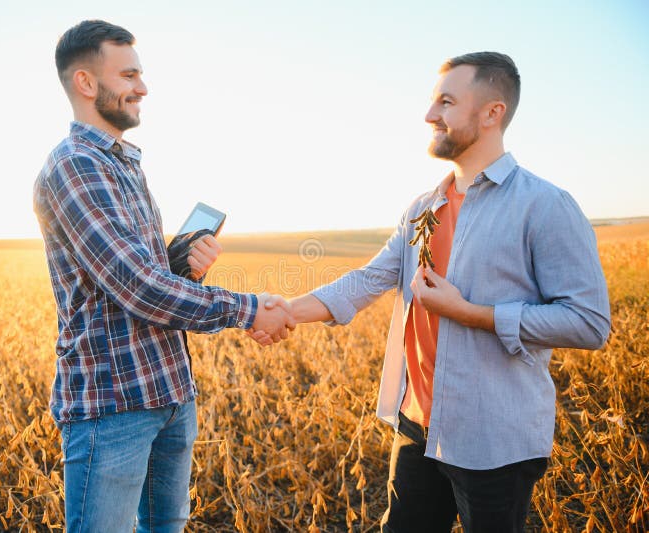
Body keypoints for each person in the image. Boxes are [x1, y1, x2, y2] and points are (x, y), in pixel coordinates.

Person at [252, 52, 610, 532]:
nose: (429, 116)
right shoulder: (424, 207)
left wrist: (472, 312)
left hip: (493, 438)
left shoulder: (545, 206)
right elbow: (368, 279)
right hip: (417, 425)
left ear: (491, 113)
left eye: (445, 102)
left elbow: (589, 322)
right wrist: (280, 310)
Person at [33, 20, 293, 533]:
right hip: (114, 407)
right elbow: (138, 288)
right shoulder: (75, 167)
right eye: (128, 74)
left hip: (169, 391)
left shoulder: (124, 164)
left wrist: (182, 264)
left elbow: (143, 276)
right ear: (86, 83)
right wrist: (250, 310)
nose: (142, 87)